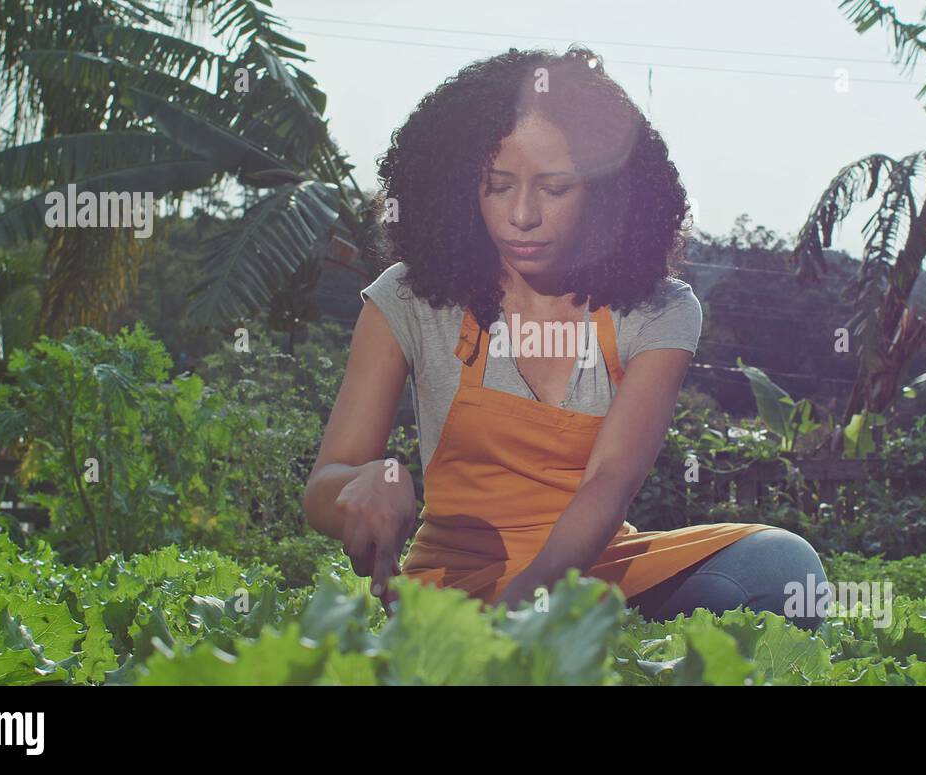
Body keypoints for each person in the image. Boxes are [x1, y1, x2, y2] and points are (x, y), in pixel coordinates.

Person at [302, 45, 828, 630]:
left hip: (588, 576)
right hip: (453, 591)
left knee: (783, 568)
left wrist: (519, 615)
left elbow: (612, 480)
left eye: (554, 189)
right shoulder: (408, 297)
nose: (521, 215)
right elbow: (326, 482)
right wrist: (368, 481)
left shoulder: (658, 311)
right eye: (497, 186)